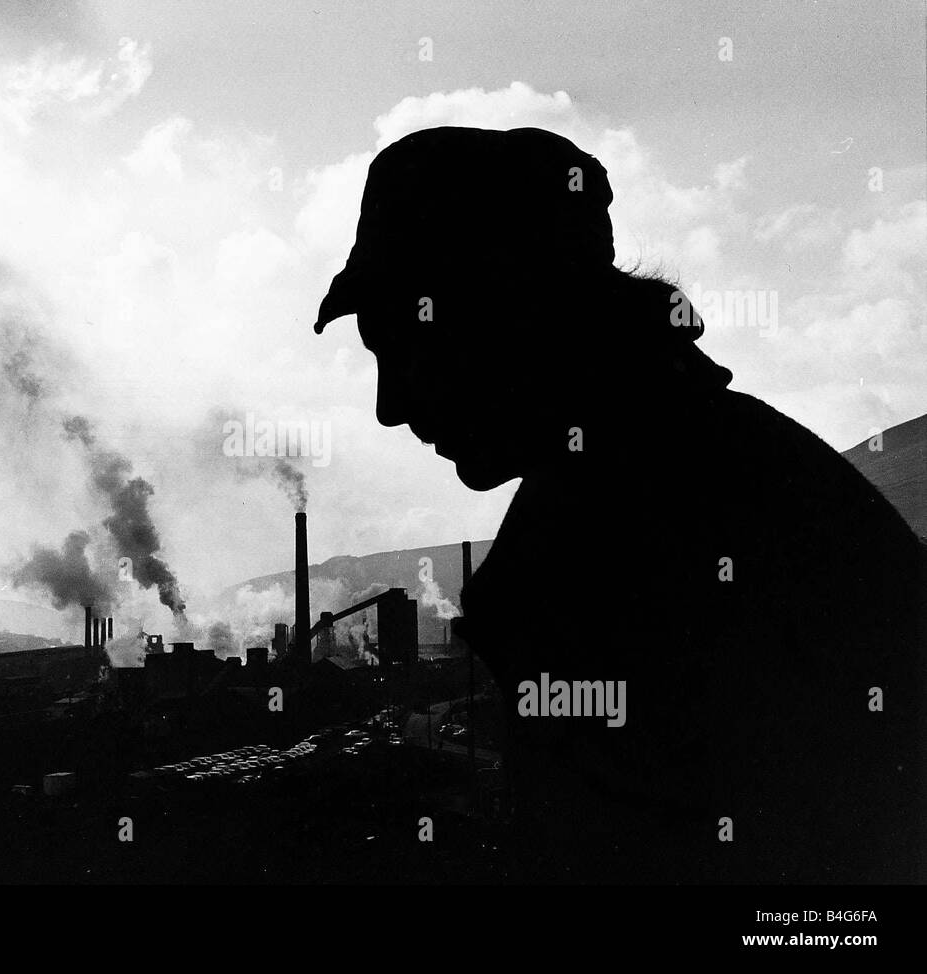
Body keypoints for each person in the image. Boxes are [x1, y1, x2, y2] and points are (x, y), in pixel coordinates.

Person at [313, 126, 925, 883]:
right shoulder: (703, 466)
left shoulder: (632, 528)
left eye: (404, 344)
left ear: (509, 310)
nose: (389, 405)